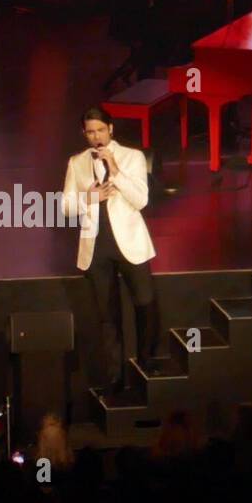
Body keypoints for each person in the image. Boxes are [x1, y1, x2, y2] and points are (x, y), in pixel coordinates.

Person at [60, 108, 161, 396]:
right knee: (108, 316)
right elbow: (66, 207)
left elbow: (141, 199)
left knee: (144, 302)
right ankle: (115, 377)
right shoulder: (77, 162)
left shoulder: (132, 157)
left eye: (100, 131)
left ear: (111, 129)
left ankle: (145, 361)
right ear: (85, 134)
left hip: (129, 240)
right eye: (90, 132)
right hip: (97, 244)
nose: (96, 137)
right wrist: (88, 198)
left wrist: (115, 171)